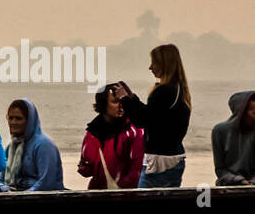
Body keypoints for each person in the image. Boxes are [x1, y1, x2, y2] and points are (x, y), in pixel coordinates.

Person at [111, 43, 191, 188]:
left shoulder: (162, 91)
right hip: (176, 158)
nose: (150, 67)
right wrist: (131, 98)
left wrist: (124, 100)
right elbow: (154, 116)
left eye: (154, 63)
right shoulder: (180, 90)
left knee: (144, 200)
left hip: (158, 161)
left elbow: (142, 120)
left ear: (163, 64)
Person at [78, 83, 145, 189]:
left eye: (123, 101)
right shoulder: (92, 132)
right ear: (103, 104)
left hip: (124, 194)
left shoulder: (133, 131)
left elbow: (136, 170)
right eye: (115, 102)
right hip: (99, 192)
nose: (121, 105)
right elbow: (86, 170)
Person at [3, 99, 64, 191]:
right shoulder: (11, 147)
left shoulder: (44, 145)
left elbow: (46, 182)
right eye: (10, 118)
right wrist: (4, 189)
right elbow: (1, 178)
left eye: (18, 118)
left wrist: (22, 196)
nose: (13, 122)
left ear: (30, 120)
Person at [211, 90, 255, 186]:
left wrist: (251, 184)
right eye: (254, 113)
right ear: (241, 112)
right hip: (228, 184)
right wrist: (240, 181)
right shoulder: (220, 131)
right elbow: (220, 169)